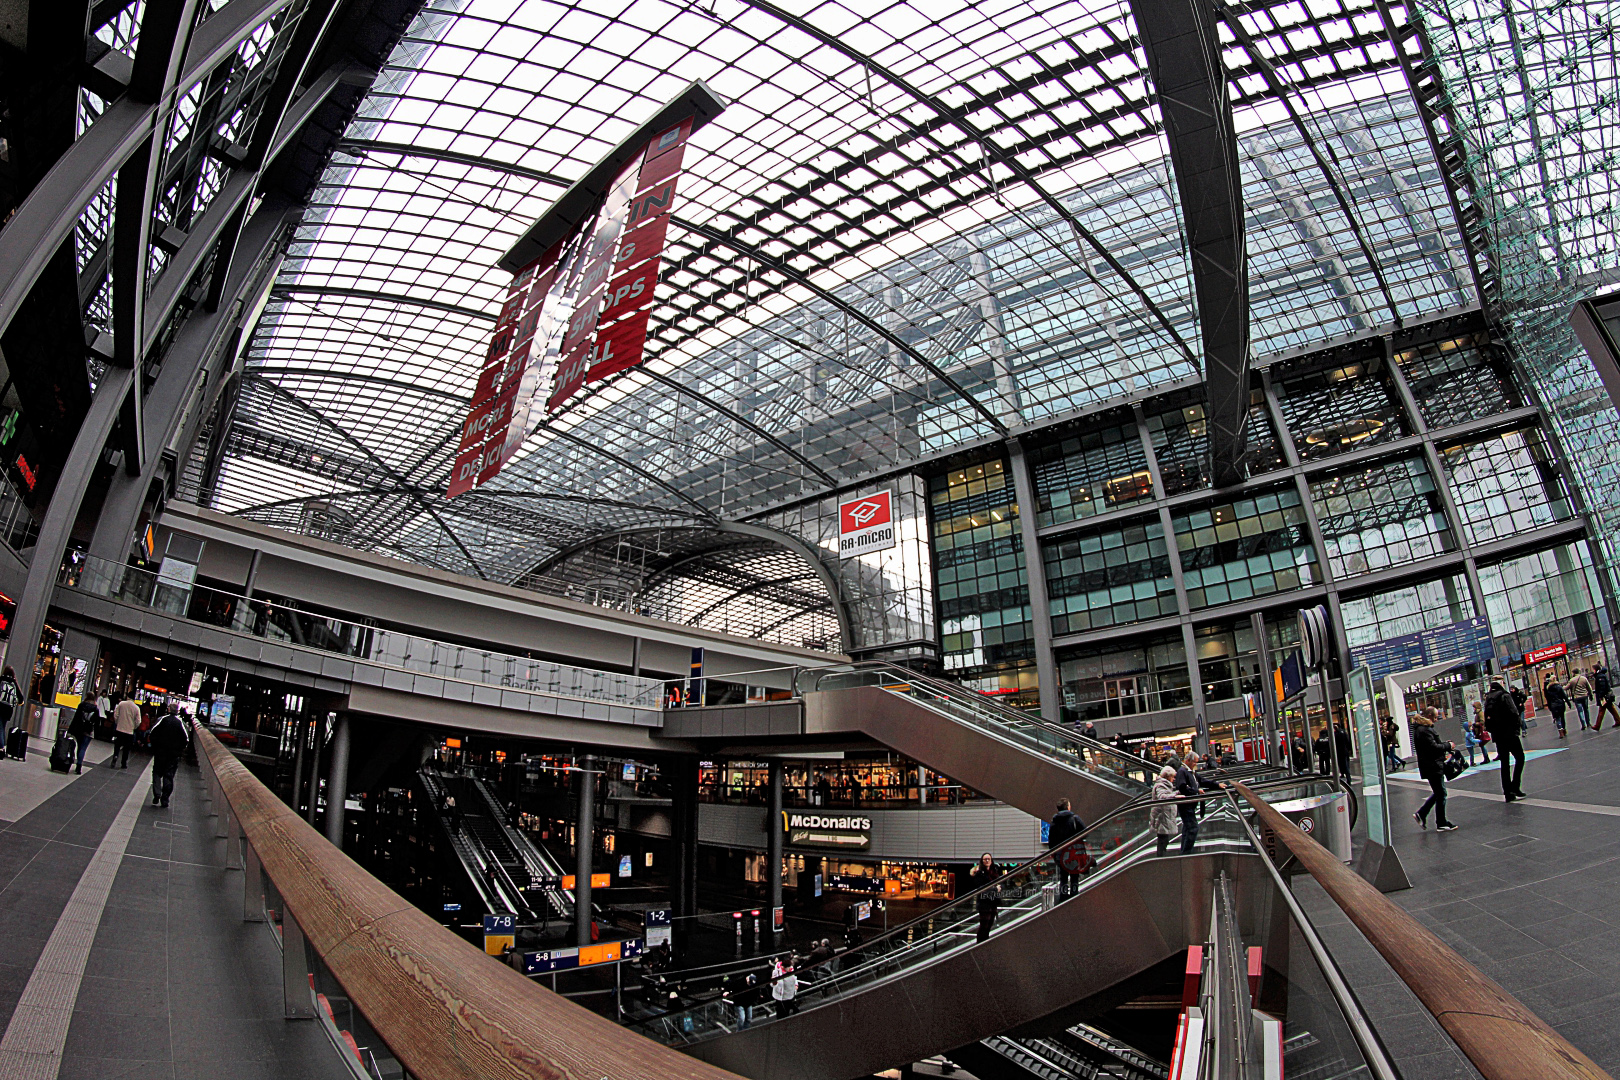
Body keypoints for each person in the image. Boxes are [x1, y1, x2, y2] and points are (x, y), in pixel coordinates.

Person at [1410, 712, 1459, 831]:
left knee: (1439, 792)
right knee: (1441, 793)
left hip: (1431, 765)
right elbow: (1433, 748)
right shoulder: (1424, 730)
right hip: (1433, 765)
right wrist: (1447, 745)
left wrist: (1444, 745)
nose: (1436, 720)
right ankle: (1440, 822)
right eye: (1435, 717)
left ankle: (1422, 814)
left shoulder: (1421, 730)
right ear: (1429, 717)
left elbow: (1432, 746)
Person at [1484, 678, 1527, 801]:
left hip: (1498, 735)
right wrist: (1517, 729)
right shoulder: (1504, 695)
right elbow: (1514, 712)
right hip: (1509, 733)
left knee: (1504, 763)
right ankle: (1515, 785)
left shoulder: (1488, 698)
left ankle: (1508, 792)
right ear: (1501, 684)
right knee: (1520, 757)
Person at [1174, 753, 1219, 854]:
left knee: (1187, 828)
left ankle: (1184, 852)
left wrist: (1217, 785)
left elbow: (1202, 781)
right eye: (1194, 762)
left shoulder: (1191, 772)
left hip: (1190, 805)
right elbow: (1182, 787)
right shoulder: (1182, 771)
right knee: (1193, 828)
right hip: (1186, 805)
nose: (1195, 764)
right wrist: (1196, 791)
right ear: (1188, 761)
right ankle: (1186, 853)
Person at [147, 707, 189, 807]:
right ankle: (165, 799)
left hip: (160, 752)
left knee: (157, 772)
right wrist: (180, 750)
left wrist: (155, 746)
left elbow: (152, 733)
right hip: (173, 755)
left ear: (169, 709)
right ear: (177, 711)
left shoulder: (162, 719)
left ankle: (157, 793)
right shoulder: (180, 722)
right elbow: (186, 739)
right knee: (168, 775)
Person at [1047, 797, 1086, 899]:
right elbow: (1085, 833)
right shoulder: (1075, 819)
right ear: (1068, 807)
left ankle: (1063, 897)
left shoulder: (1054, 822)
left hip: (1060, 854)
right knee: (1074, 876)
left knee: (1063, 877)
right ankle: (1074, 897)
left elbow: (1051, 840)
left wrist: (1054, 854)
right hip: (1074, 852)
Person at [969, 853, 1002, 942]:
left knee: (990, 923)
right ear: (982, 861)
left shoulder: (994, 872)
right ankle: (980, 942)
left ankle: (985, 941)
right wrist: (995, 889)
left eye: (989, 859)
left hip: (993, 902)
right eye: (985, 859)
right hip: (984, 903)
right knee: (984, 924)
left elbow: (999, 883)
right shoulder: (979, 873)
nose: (987, 861)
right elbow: (981, 888)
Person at [1150, 765, 1178, 857]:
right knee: (1162, 840)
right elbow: (1162, 796)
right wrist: (1174, 796)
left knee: (1164, 839)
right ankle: (1160, 858)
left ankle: (1161, 856)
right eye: (1172, 777)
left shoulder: (1163, 784)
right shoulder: (1161, 785)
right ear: (1167, 776)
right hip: (1162, 816)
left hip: (1164, 816)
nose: (1173, 779)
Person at [66, 698, 99, 774]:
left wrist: (70, 730)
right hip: (89, 731)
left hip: (79, 730)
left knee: (79, 747)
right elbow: (97, 722)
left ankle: (78, 764)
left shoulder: (81, 706)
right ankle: (79, 766)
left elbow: (75, 718)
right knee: (83, 748)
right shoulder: (95, 709)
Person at [111, 694, 140, 769]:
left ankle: (115, 756)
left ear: (127, 697)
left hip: (120, 728)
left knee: (117, 745)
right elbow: (138, 721)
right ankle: (123, 763)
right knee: (126, 748)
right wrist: (134, 727)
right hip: (129, 731)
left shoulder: (121, 704)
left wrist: (118, 722)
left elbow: (115, 715)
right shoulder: (136, 708)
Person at [1592, 666, 1620, 732]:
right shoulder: (1601, 676)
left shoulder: (1600, 677)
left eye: (1594, 670)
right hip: (1607, 696)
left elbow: (1602, 687)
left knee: (1601, 710)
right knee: (1611, 708)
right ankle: (1618, 721)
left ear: (1596, 670)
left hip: (1604, 696)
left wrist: (1601, 695)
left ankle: (1597, 725)